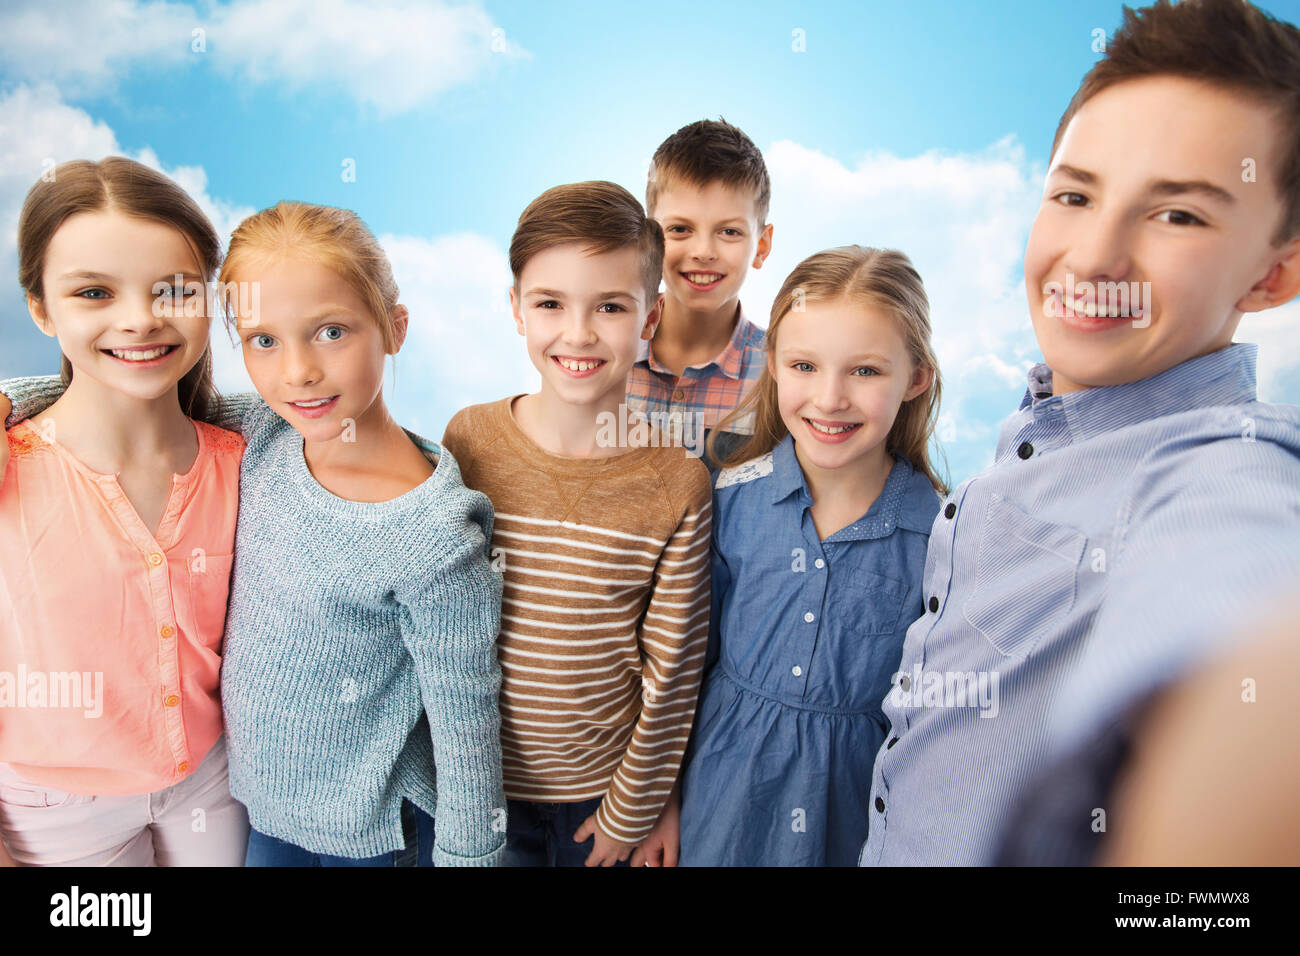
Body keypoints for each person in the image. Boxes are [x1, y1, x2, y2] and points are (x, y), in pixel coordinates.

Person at [860, 0, 1300, 867]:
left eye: (1178, 215)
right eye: (1074, 194)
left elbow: (1239, 604)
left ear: (1273, 274)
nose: (1095, 256)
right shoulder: (1036, 426)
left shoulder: (1223, 470)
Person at [2, 200, 507, 866]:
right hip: (261, 819)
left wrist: (472, 857)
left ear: (394, 327)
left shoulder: (437, 532)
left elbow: (468, 722)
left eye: (331, 332)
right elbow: (130, 394)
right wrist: (16, 401)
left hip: (373, 834)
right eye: (265, 340)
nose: (298, 371)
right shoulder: (265, 432)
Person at [441, 181, 712, 867]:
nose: (579, 333)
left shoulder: (678, 481)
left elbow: (672, 673)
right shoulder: (469, 440)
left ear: (650, 318)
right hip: (474, 788)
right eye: (551, 304)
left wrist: (633, 810)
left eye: (611, 306)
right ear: (516, 309)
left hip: (599, 801)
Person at [0, 157, 248, 866]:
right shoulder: (11, 467)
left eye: (173, 290)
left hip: (211, 781)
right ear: (41, 307)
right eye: (94, 292)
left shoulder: (247, 460)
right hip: (51, 811)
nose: (139, 319)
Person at [675, 246, 946, 866]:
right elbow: (683, 671)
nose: (829, 399)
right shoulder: (727, 499)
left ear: (917, 378)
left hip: (853, 821)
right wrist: (659, 806)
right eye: (804, 365)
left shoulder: (941, 535)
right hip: (717, 807)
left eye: (866, 372)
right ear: (771, 365)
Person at [627, 118, 774, 472]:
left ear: (762, 246)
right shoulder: (602, 347)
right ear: (649, 238)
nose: (704, 251)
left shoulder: (779, 374)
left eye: (729, 231)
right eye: (680, 229)